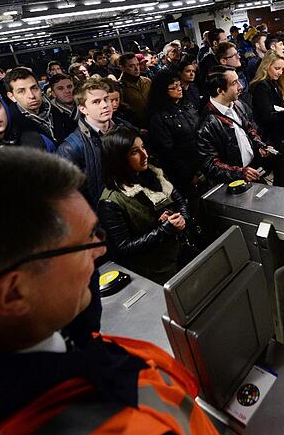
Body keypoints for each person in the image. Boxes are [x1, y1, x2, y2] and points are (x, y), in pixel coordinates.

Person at [0, 147, 222, 435]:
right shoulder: (114, 427)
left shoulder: (57, 337)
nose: (100, 251)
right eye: (86, 239)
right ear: (12, 294)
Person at [98, 127, 191, 284]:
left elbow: (180, 201)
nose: (145, 155)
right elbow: (125, 247)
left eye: (143, 147)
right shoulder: (111, 201)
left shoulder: (153, 174)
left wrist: (182, 219)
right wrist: (164, 229)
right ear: (118, 158)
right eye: (135, 152)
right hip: (155, 273)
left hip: (180, 253)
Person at [197, 65, 272, 185]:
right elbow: (211, 165)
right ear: (220, 91)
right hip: (233, 184)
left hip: (253, 172)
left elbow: (250, 128)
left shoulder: (238, 104)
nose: (241, 86)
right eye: (234, 83)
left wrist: (259, 144)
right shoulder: (206, 125)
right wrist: (240, 173)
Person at [57, 78, 118, 209]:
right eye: (96, 102)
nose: (105, 105)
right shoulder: (70, 148)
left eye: (106, 99)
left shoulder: (125, 129)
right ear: (83, 109)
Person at [148, 69, 203, 200]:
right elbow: (168, 152)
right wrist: (188, 175)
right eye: (174, 87)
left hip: (201, 162)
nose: (179, 89)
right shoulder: (158, 117)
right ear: (163, 92)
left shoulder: (188, 105)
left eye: (179, 85)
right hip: (184, 171)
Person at [4, 69, 75, 146]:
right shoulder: (11, 128)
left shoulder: (56, 111)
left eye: (34, 88)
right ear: (11, 96)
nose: (31, 96)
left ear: (40, 88)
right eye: (21, 91)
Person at [250, 50, 284, 147]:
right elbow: (267, 116)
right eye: (277, 68)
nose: (280, 72)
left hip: (281, 133)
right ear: (266, 66)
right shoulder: (261, 86)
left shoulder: (275, 82)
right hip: (271, 138)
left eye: (282, 69)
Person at [118, 53, 152, 128]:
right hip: (138, 128)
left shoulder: (147, 81)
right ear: (121, 68)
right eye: (131, 66)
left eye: (137, 64)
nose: (136, 69)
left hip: (155, 123)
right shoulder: (119, 87)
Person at [215, 41, 250, 106]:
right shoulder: (220, 81)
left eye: (238, 54)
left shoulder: (242, 72)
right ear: (223, 61)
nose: (239, 57)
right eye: (234, 55)